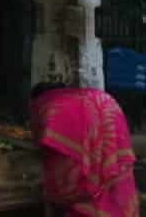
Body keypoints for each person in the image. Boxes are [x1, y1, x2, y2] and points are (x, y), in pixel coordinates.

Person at [29, 82, 139, 216]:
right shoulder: (97, 98)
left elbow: (43, 144)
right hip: (117, 178)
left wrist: (49, 190)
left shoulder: (50, 105)